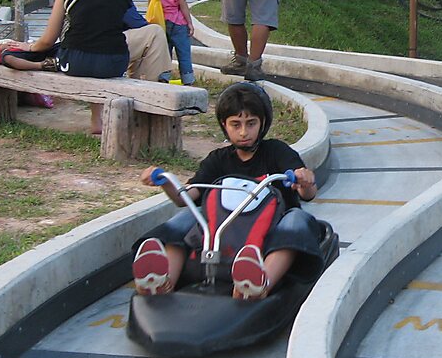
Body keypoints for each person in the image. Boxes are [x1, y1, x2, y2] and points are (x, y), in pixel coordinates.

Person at [133, 82, 325, 300]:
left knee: (297, 218)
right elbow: (186, 198)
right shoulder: (218, 160)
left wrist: (305, 181)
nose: (244, 132)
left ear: (262, 124)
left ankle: (260, 284)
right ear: (225, 126)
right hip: (224, 233)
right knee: (186, 217)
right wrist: (165, 181)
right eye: (236, 124)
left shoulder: (276, 151)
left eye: (251, 123)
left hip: (270, 233)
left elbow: (307, 193)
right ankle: (162, 280)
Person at [13, 0, 133, 132]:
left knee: (85, 43)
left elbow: (48, 40)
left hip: (76, 61)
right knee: (103, 43)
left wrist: (30, 48)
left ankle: (96, 120)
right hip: (113, 63)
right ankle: (100, 119)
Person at [150, 0, 195, 86]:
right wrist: (190, 23)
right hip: (178, 22)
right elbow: (183, 5)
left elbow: (150, 4)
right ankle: (187, 80)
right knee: (183, 53)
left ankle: (163, 77)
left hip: (161, 22)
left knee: (164, 52)